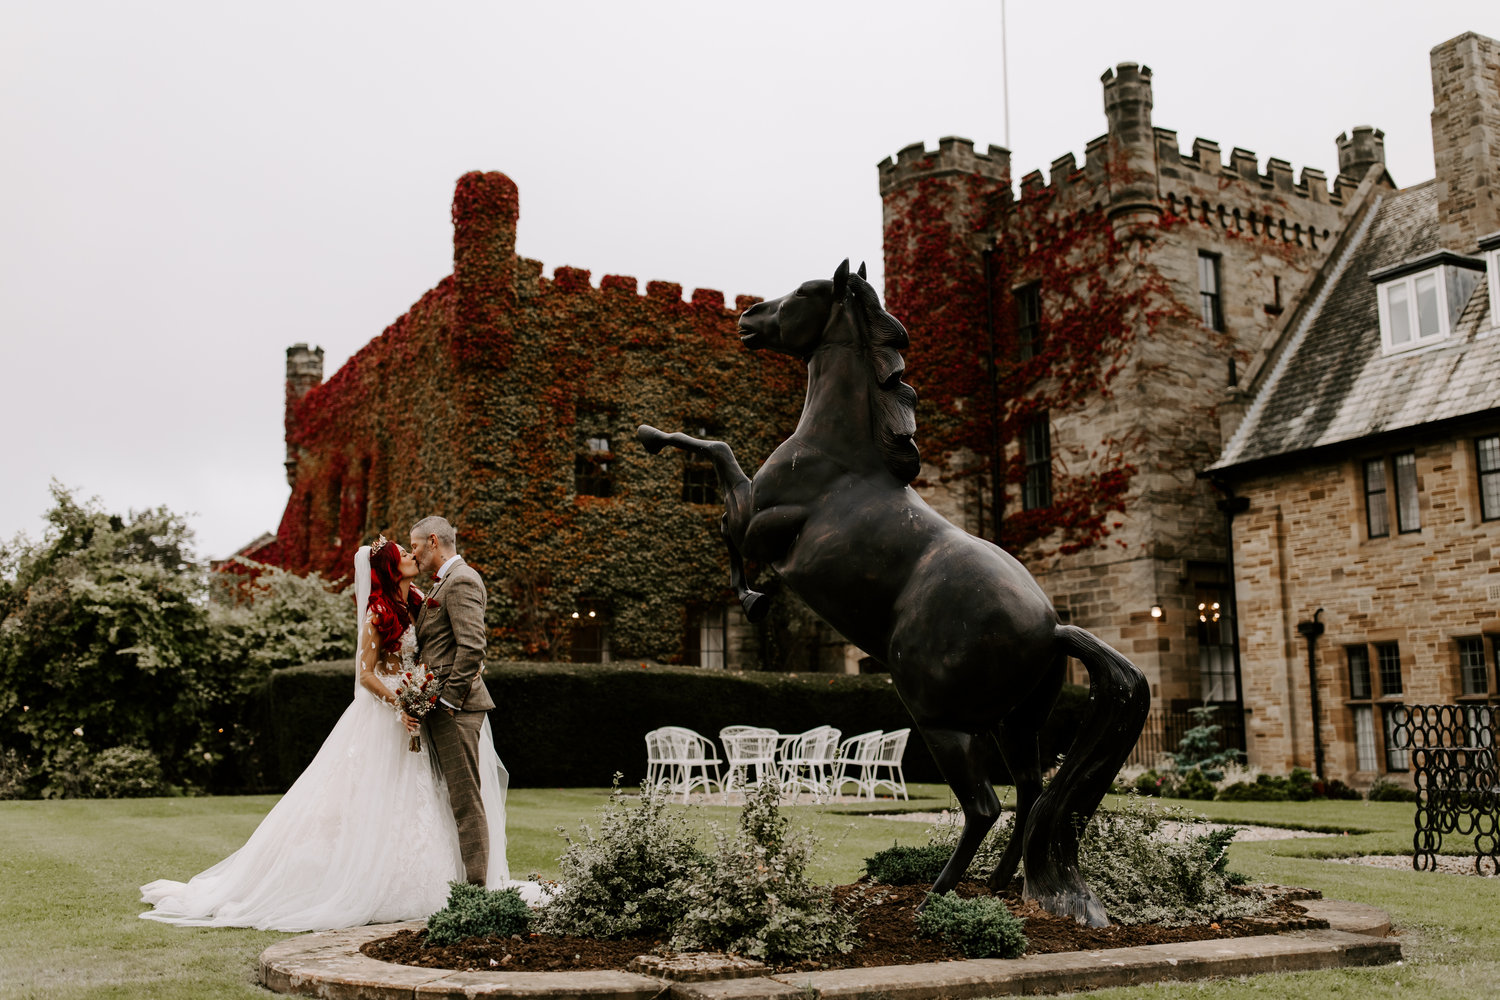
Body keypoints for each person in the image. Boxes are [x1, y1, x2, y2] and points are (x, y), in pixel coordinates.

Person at [138, 538, 530, 932]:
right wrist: (401, 704)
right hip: (388, 716)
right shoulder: (377, 613)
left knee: (420, 796)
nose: (412, 556)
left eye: (411, 550)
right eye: (404, 554)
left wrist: (443, 680)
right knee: (375, 796)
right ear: (390, 568)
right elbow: (366, 674)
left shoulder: (417, 601)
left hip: (418, 712)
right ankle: (363, 879)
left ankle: (434, 877)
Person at [408, 514, 494, 885]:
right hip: (441, 707)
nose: (413, 553)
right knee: (450, 798)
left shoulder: (461, 580)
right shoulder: (442, 583)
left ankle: (475, 889)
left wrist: (448, 702)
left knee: (465, 800)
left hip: (455, 710)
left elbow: (472, 646)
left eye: (414, 546)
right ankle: (456, 881)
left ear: (433, 541)